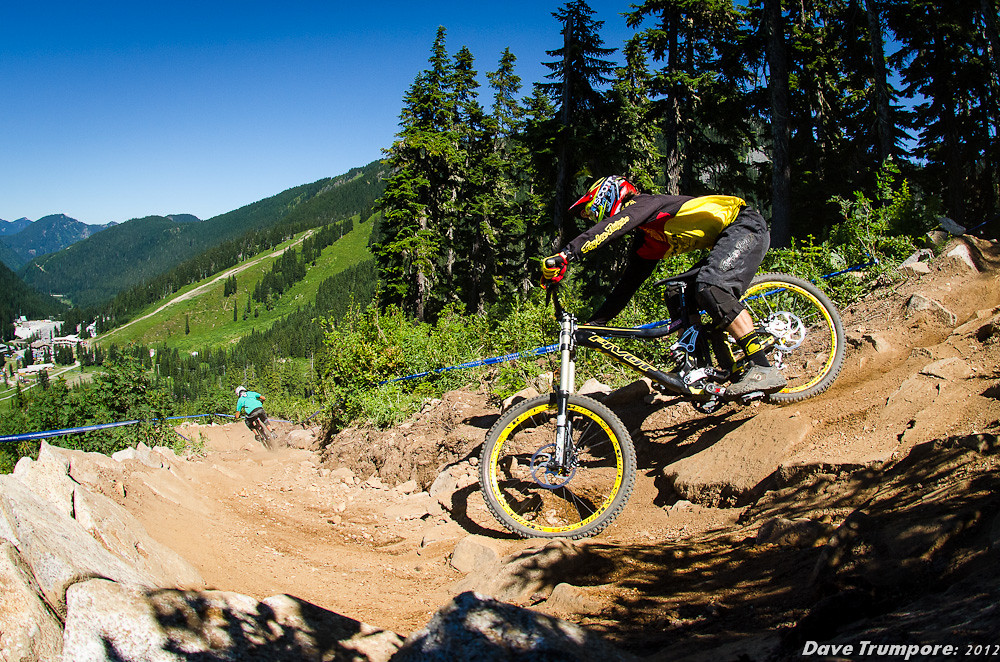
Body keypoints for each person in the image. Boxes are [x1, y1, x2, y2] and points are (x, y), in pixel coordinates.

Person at [541, 175, 786, 396]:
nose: (591, 217)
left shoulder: (644, 204)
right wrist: (596, 324)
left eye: (590, 211)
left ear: (608, 195)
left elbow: (614, 226)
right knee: (676, 291)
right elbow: (628, 284)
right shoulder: (648, 237)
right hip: (729, 237)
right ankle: (697, 368)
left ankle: (762, 367)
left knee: (711, 285)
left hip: (744, 225)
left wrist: (567, 254)